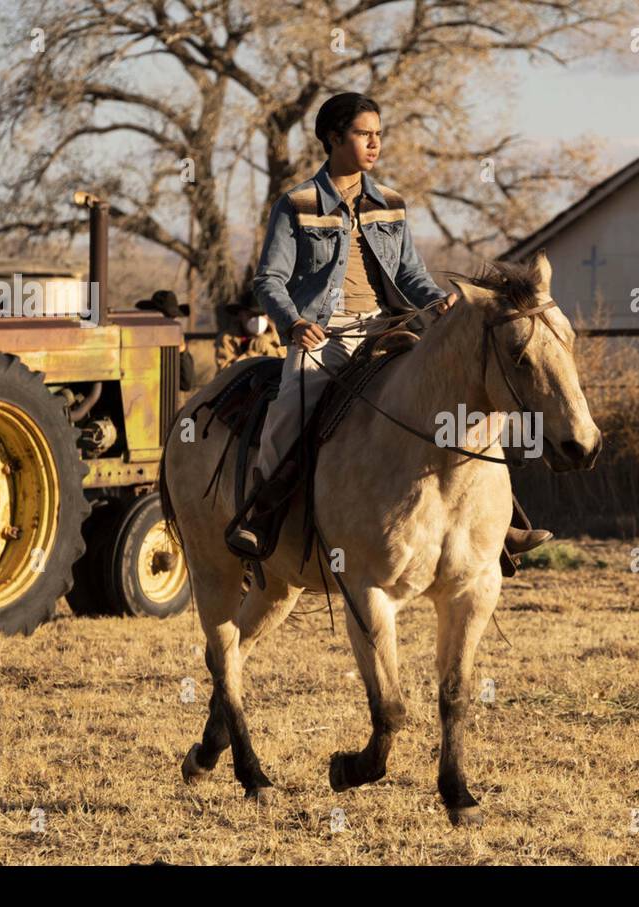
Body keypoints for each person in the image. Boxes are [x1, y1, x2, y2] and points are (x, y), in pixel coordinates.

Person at [227, 91, 551, 570]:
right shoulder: (296, 203)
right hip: (323, 334)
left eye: (379, 134)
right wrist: (294, 323)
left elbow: (409, 273)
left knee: (468, 395)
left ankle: (501, 524)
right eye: (364, 134)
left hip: (385, 329)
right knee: (289, 411)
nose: (375, 143)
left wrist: (435, 300)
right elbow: (268, 279)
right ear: (334, 138)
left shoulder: (391, 204)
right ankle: (263, 516)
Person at [215, 285, 285, 370]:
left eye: (261, 315)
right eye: (251, 315)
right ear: (240, 315)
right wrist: (251, 356)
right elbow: (225, 373)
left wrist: (267, 349)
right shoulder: (227, 339)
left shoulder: (280, 335)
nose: (258, 320)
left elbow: (287, 365)